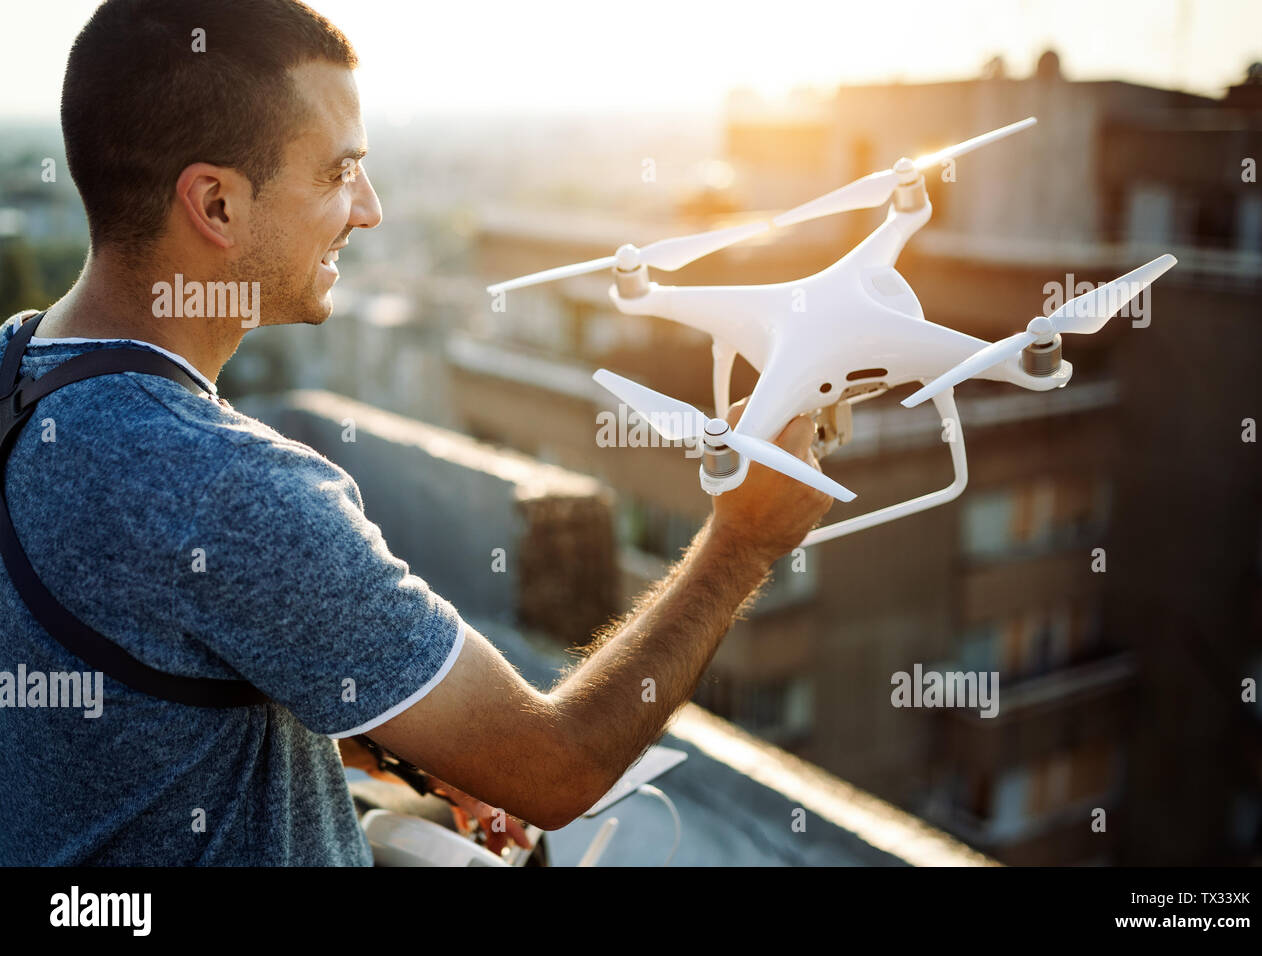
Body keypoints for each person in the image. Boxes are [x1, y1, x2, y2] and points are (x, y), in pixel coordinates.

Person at [0, 0, 832, 865]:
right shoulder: (228, 491)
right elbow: (558, 768)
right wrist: (744, 540)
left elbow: (117, 684)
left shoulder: (18, 368)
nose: (370, 209)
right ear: (215, 202)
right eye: (338, 172)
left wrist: (381, 736)